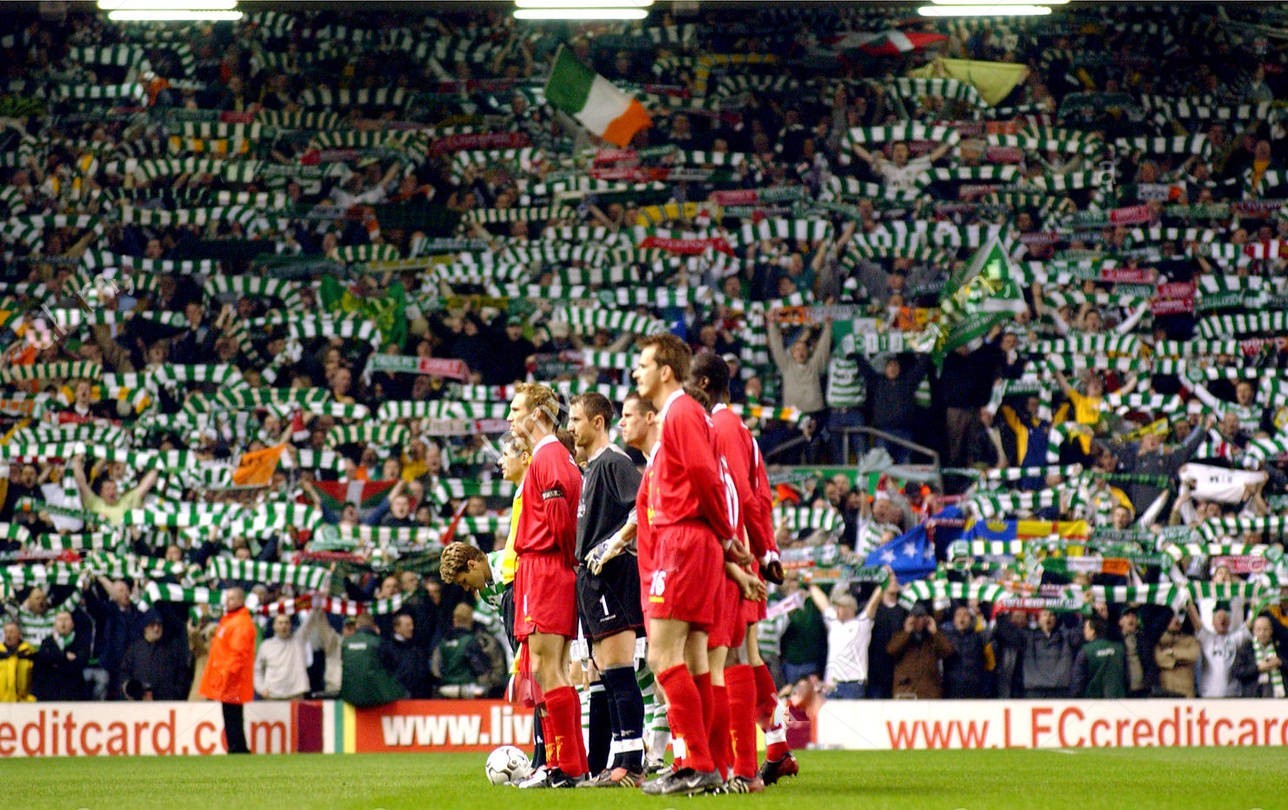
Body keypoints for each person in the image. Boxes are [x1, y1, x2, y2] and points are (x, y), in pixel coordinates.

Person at [632, 333, 736, 796]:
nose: (637, 372)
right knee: (694, 655)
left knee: (661, 655)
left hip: (683, 540)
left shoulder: (679, 411)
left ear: (666, 371)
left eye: (643, 364)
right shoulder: (684, 412)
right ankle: (703, 763)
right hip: (693, 540)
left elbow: (705, 477)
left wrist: (726, 535)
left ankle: (696, 762)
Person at [506, 381, 586, 788]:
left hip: (545, 569)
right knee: (551, 670)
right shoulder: (556, 456)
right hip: (547, 569)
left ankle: (565, 765)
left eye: (516, 410)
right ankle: (564, 763)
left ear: (537, 414)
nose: (509, 418)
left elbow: (560, 522)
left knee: (546, 669)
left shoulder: (548, 456)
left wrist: (559, 558)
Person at [567, 392, 648, 788]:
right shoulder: (590, 469)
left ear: (598, 422)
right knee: (605, 676)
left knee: (618, 673)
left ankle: (631, 761)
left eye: (576, 420)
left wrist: (612, 544)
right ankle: (619, 758)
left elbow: (642, 509)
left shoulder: (615, 463)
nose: (570, 427)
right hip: (591, 578)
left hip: (613, 576)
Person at [199, 588, 257, 754]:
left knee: (233, 714)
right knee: (231, 714)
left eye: (231, 599)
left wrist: (226, 675)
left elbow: (237, 654)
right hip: (229, 676)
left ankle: (237, 747)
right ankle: (237, 746)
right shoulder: (231, 620)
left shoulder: (241, 623)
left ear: (240, 600)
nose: (227, 601)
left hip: (234, 678)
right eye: (227, 598)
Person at [806, 576, 882, 699]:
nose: (836, 610)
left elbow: (873, 604)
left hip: (853, 684)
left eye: (839, 606)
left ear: (849, 608)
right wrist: (809, 582)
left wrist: (883, 584)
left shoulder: (862, 624)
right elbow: (822, 601)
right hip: (831, 683)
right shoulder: (833, 622)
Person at [993, 609, 1083, 698]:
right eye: (1044, 615)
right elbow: (1007, 631)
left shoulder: (1066, 636)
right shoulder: (1028, 637)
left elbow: (1082, 633)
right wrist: (1001, 612)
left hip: (1060, 691)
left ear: (1056, 619)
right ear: (1038, 619)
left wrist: (1086, 611)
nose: (1048, 618)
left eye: (1051, 615)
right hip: (1034, 692)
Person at [887, 603, 954, 699]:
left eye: (922, 617)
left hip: (929, 693)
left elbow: (948, 651)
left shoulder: (933, 639)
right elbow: (891, 650)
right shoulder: (900, 635)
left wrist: (935, 632)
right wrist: (906, 632)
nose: (920, 621)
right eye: (916, 617)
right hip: (906, 692)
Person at [1186, 599, 1251, 698]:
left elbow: (1251, 621)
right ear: (1212, 621)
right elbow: (1195, 619)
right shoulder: (1206, 638)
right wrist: (1187, 601)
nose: (1222, 620)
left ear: (1230, 621)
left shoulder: (1236, 639)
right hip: (1208, 695)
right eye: (1219, 617)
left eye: (1225, 617)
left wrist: (1258, 601)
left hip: (1233, 695)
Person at [340, 613, 407, 707]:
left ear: (357, 626)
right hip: (374, 697)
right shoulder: (378, 642)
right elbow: (395, 663)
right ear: (373, 626)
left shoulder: (345, 644)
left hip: (349, 696)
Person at [121, 612, 190, 701]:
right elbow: (124, 675)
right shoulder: (134, 650)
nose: (156, 628)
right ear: (145, 627)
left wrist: (174, 694)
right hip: (138, 704)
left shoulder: (172, 650)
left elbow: (182, 676)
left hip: (166, 703)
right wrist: (133, 691)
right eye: (152, 625)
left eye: (159, 625)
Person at [254, 613, 315, 700]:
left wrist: (315, 607)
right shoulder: (265, 646)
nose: (284, 626)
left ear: (290, 625)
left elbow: (309, 623)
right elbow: (257, 670)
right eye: (280, 623)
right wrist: (261, 688)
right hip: (272, 696)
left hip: (295, 695)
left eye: (287, 623)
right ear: (274, 626)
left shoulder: (298, 640)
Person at [32, 611, 90, 701]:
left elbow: (81, 661)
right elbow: (44, 660)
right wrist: (64, 657)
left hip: (74, 690)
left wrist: (56, 661)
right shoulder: (47, 642)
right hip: (51, 691)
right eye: (60, 620)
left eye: (66, 620)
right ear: (55, 624)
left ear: (72, 624)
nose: (63, 623)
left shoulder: (79, 641)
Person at [940, 603, 993, 699]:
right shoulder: (946, 636)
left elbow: (989, 634)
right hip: (952, 688)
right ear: (953, 620)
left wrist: (978, 614)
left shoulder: (979, 637)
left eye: (965, 615)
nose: (962, 618)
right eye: (958, 615)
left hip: (975, 689)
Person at [1071, 616, 1126, 698]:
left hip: (1093, 702)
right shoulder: (1120, 648)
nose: (1084, 631)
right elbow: (1127, 676)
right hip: (1118, 701)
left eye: (1086, 628)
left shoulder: (1085, 651)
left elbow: (1077, 682)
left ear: (1093, 631)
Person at [1232, 615, 1286, 698]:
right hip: (1253, 696)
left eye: (1265, 629)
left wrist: (1280, 663)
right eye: (1259, 629)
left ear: (1271, 630)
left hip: (1278, 696)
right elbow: (1237, 671)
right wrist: (1258, 668)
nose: (1262, 633)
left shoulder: (1280, 647)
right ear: (1253, 631)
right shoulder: (1246, 648)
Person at [1154, 612, 1201, 698]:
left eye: (1179, 617)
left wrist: (1171, 652)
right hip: (1166, 691)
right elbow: (1159, 659)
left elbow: (1194, 655)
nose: (1176, 621)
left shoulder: (1191, 640)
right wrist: (1182, 660)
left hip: (1186, 692)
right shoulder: (1159, 641)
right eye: (1172, 618)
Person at [0, 620, 36, 701]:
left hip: (24, 703)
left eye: (12, 632)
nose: (8, 635)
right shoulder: (0, 652)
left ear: (19, 634)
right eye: (6, 632)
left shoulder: (28, 652)